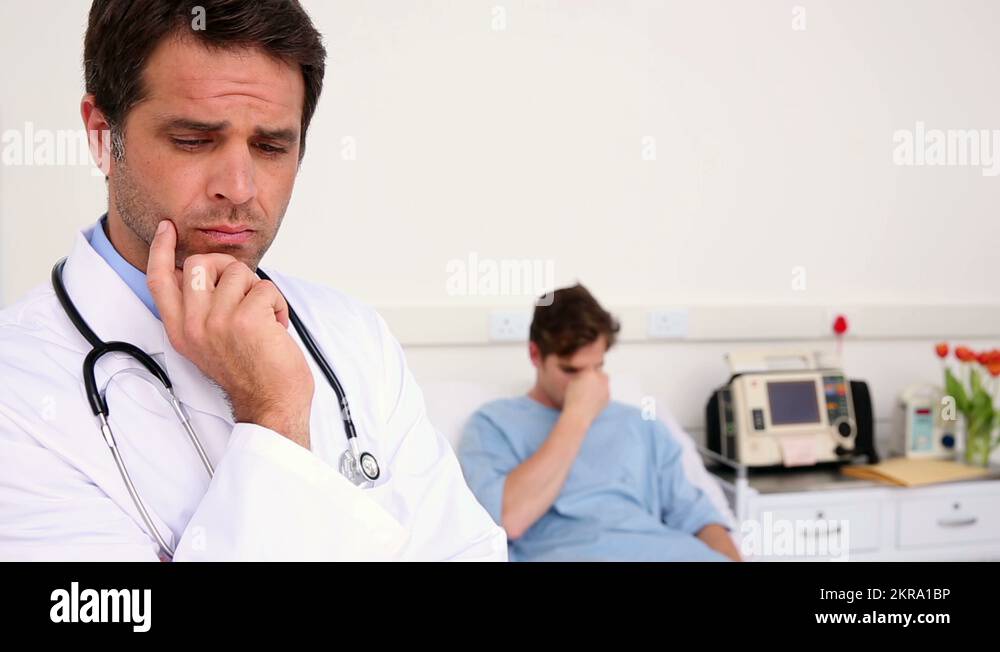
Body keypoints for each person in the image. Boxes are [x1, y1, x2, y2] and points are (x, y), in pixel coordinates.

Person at [0, 0, 506, 561]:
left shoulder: (353, 336)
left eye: (270, 146)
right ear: (102, 135)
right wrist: (274, 414)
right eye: (194, 140)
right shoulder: (16, 394)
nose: (239, 188)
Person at [458, 284, 740, 561]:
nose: (587, 382)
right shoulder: (493, 425)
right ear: (535, 354)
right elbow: (510, 519)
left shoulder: (641, 424)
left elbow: (698, 517)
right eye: (571, 370)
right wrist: (577, 415)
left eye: (597, 367)